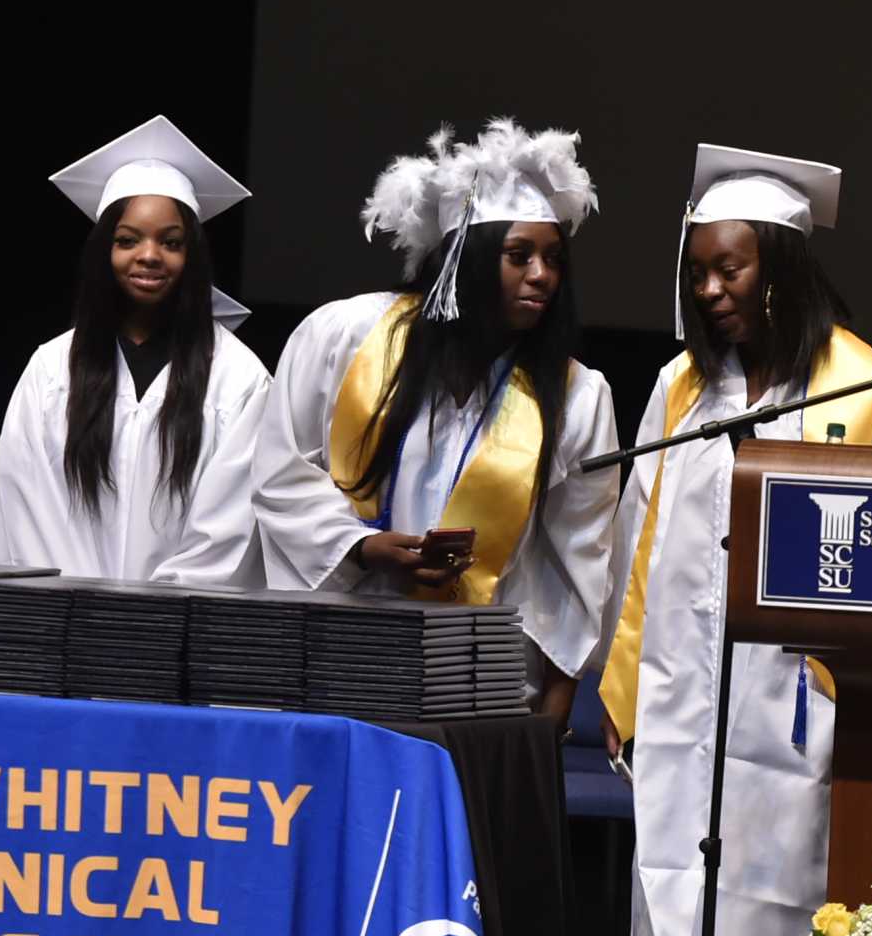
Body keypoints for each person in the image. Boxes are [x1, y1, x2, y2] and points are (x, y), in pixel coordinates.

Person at [591, 145, 872, 936]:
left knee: (772, 902)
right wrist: (620, 670)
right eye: (696, 270)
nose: (709, 288)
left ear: (780, 266)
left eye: (729, 267)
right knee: (668, 894)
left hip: (792, 694)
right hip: (680, 685)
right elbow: (631, 534)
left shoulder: (869, 387)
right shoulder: (680, 388)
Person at [251, 120, 618, 724]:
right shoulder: (344, 335)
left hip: (475, 679)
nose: (541, 276)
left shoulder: (576, 396)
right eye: (518, 255)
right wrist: (362, 546)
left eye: (553, 259)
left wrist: (556, 701)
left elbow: (580, 555)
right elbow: (278, 472)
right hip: (338, 655)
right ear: (465, 263)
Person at [0, 116, 270, 586]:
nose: (149, 255)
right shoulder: (52, 369)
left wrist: (146, 618)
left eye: (170, 242)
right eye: (127, 240)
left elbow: (231, 528)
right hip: (65, 625)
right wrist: (79, 607)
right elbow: (25, 508)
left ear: (192, 255)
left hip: (183, 630)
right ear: (103, 252)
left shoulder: (237, 376)